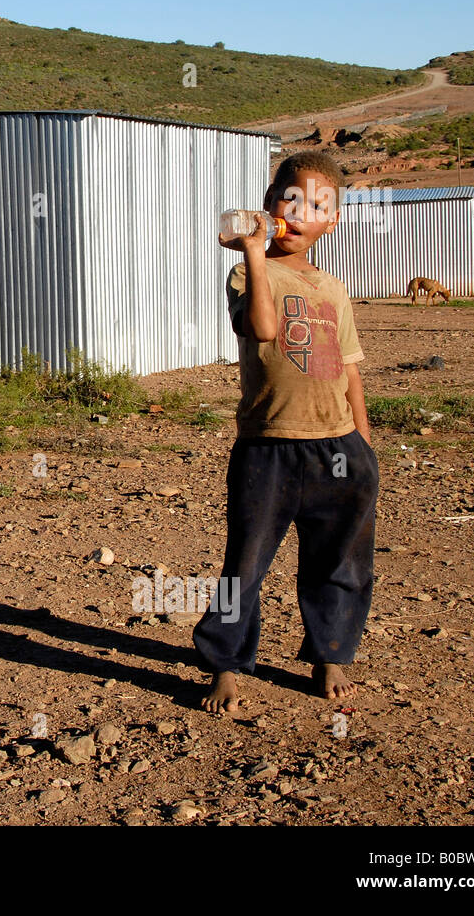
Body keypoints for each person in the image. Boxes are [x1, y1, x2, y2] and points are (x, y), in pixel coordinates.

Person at [195, 150, 379, 714]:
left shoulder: (333, 287)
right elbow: (265, 328)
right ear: (272, 204)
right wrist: (253, 251)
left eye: (319, 205)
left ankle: (331, 653)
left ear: (334, 220)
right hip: (268, 446)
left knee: (340, 559)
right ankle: (226, 663)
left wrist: (365, 447)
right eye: (291, 198)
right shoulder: (250, 271)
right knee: (243, 564)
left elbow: (349, 369)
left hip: (338, 447)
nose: (302, 212)